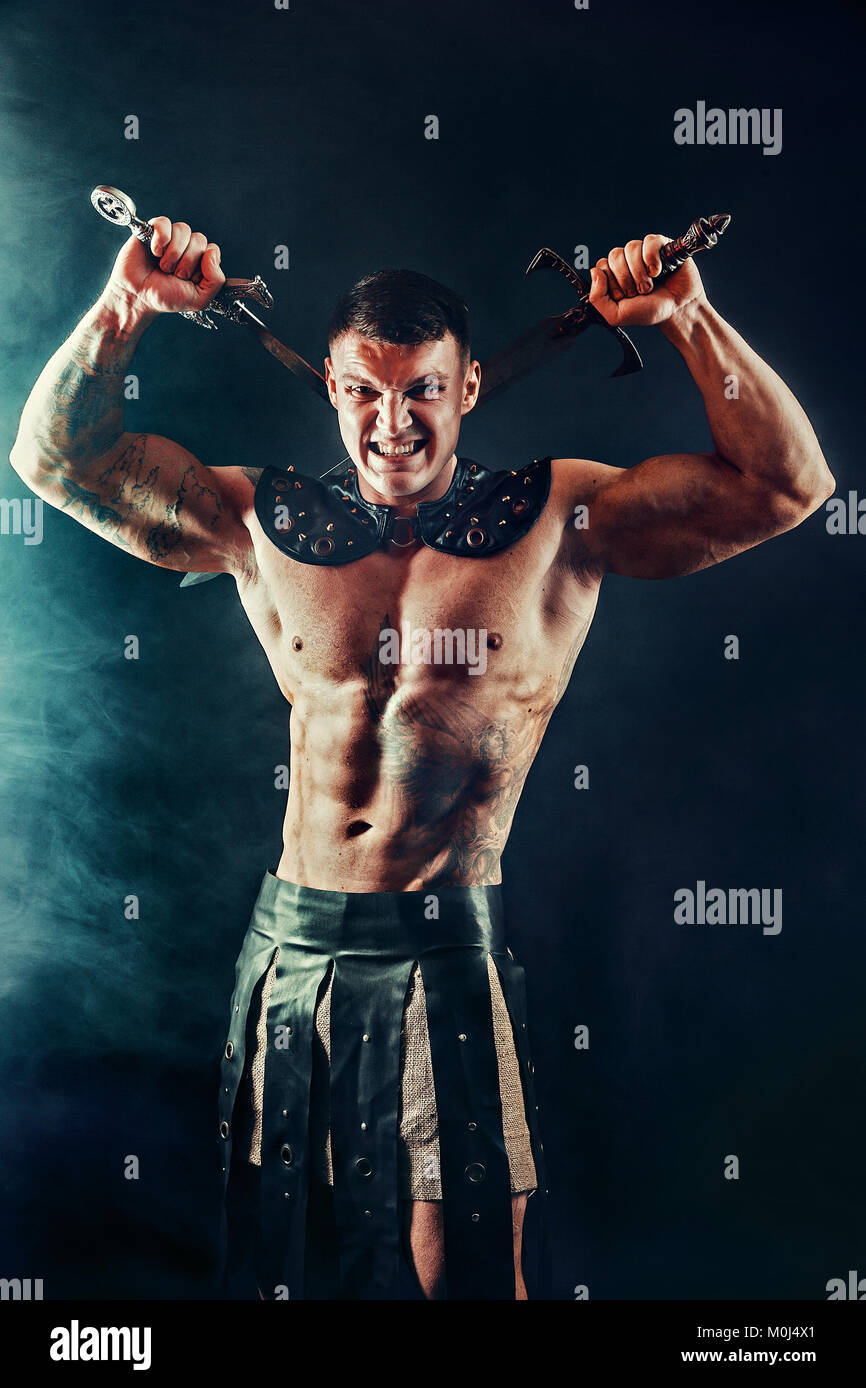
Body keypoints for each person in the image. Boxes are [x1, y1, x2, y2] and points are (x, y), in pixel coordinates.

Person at [9, 212, 834, 1301]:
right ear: (334, 390)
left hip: (447, 946)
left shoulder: (561, 520)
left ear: (469, 389)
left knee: (474, 1279)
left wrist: (686, 315)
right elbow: (51, 459)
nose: (392, 422)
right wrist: (125, 308)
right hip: (293, 947)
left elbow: (786, 488)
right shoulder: (257, 520)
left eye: (422, 391)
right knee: (286, 1268)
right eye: (363, 390)